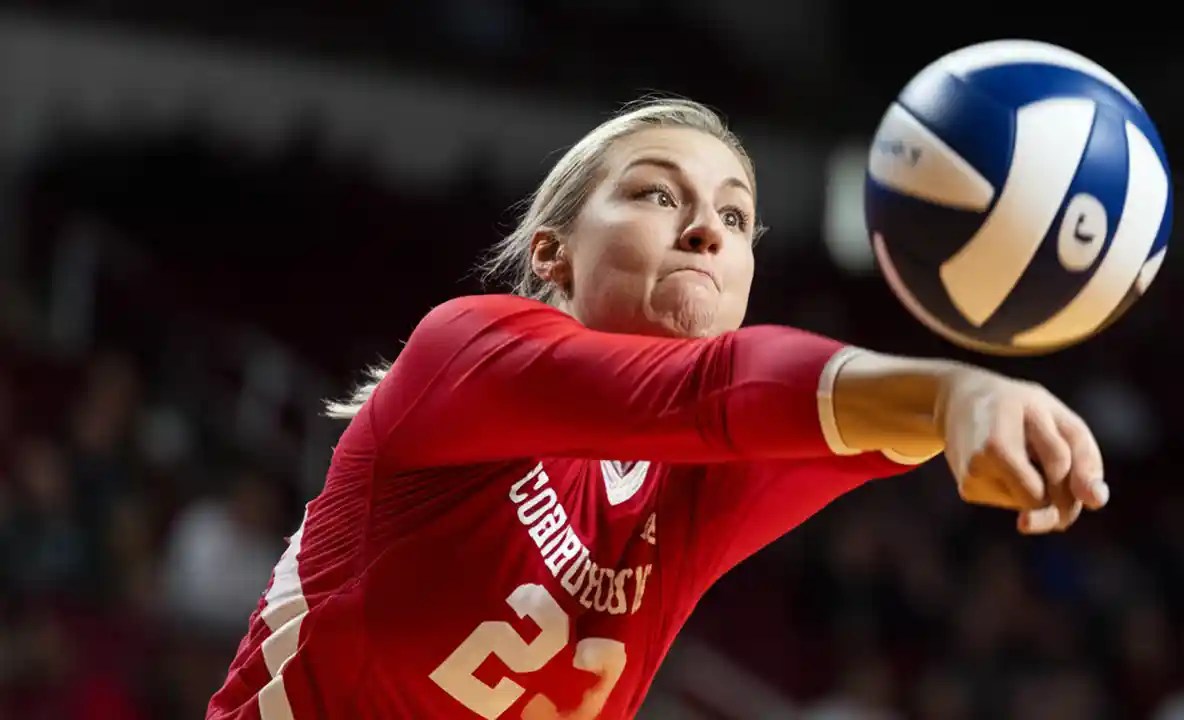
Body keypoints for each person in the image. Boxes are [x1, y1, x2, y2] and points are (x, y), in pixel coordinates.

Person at [206, 96, 1109, 719]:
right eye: (657, 193)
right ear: (552, 251)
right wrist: (960, 391)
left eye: (735, 213)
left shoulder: (689, 488)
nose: (707, 228)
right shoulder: (468, 350)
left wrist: (978, 413)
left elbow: (851, 422)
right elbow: (729, 388)